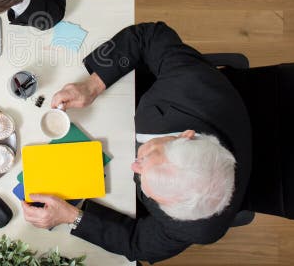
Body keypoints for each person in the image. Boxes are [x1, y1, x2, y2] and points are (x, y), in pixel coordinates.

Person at [21, 22, 252, 263]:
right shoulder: (192, 84)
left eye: (152, 191)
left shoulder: (200, 228)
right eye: (147, 158)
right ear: (187, 136)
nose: (133, 166)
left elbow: (138, 244)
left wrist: (72, 216)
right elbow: (148, 37)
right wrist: (93, 84)